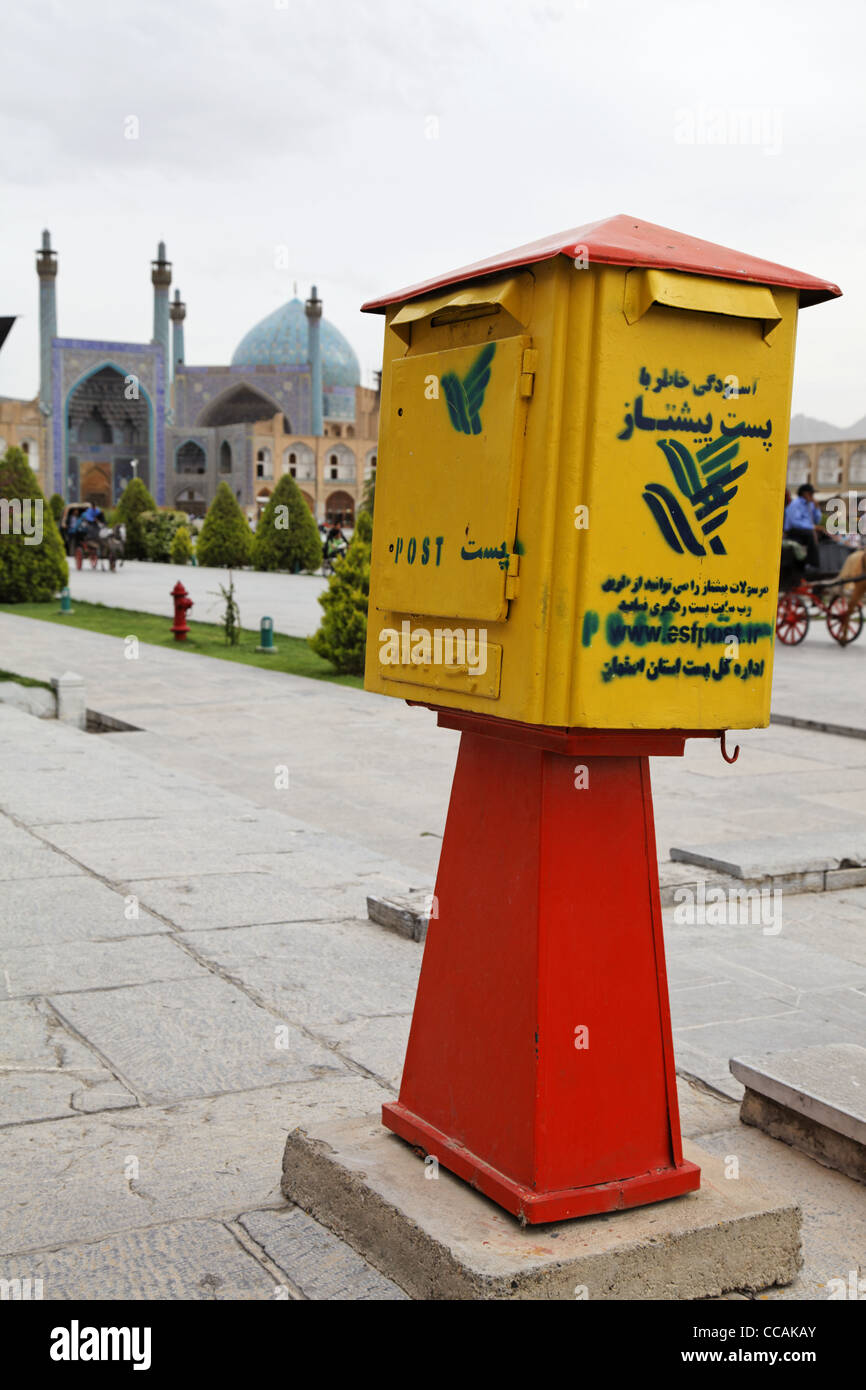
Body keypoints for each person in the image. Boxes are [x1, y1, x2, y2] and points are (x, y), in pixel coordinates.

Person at [784, 483, 822, 570]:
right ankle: (812, 564)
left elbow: (817, 521)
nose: (812, 496)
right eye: (811, 494)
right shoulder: (795, 504)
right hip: (793, 531)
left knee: (822, 534)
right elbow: (795, 522)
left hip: (805, 530)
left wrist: (817, 508)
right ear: (804, 493)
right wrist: (812, 527)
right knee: (809, 534)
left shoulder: (811, 505)